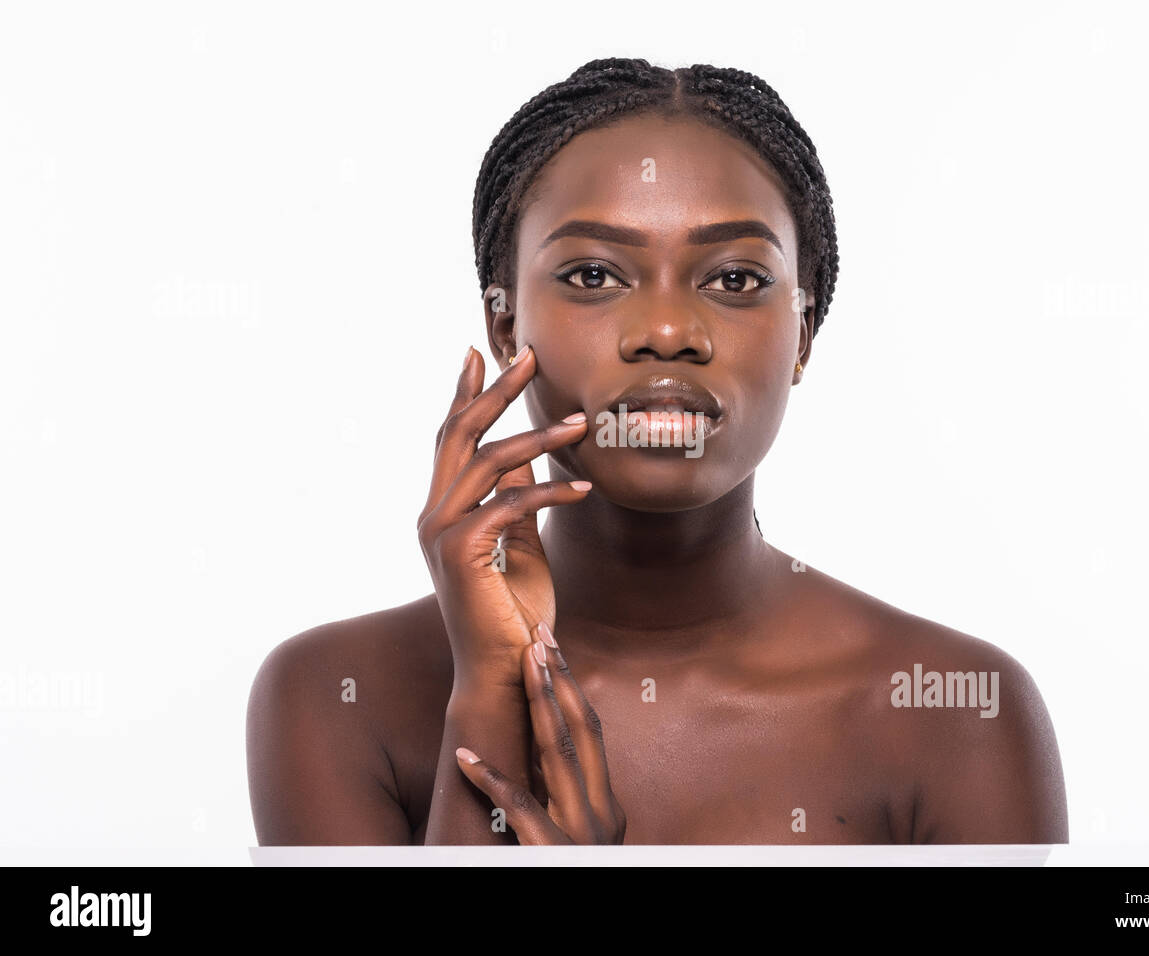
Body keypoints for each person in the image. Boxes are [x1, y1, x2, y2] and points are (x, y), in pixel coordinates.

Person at [246, 57, 1068, 846]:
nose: (667, 333)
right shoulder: (332, 699)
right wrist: (491, 691)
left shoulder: (958, 715)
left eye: (736, 280)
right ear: (506, 326)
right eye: (595, 275)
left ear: (803, 337)